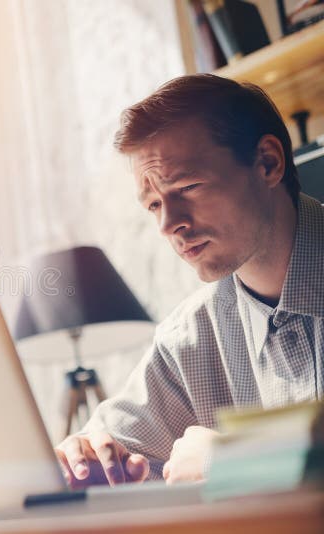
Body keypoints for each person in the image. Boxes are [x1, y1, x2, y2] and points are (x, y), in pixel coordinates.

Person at [55, 73, 322, 488]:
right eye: (154, 204)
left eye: (187, 186)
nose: (168, 224)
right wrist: (82, 456)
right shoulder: (187, 338)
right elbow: (104, 447)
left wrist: (237, 460)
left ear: (268, 163)